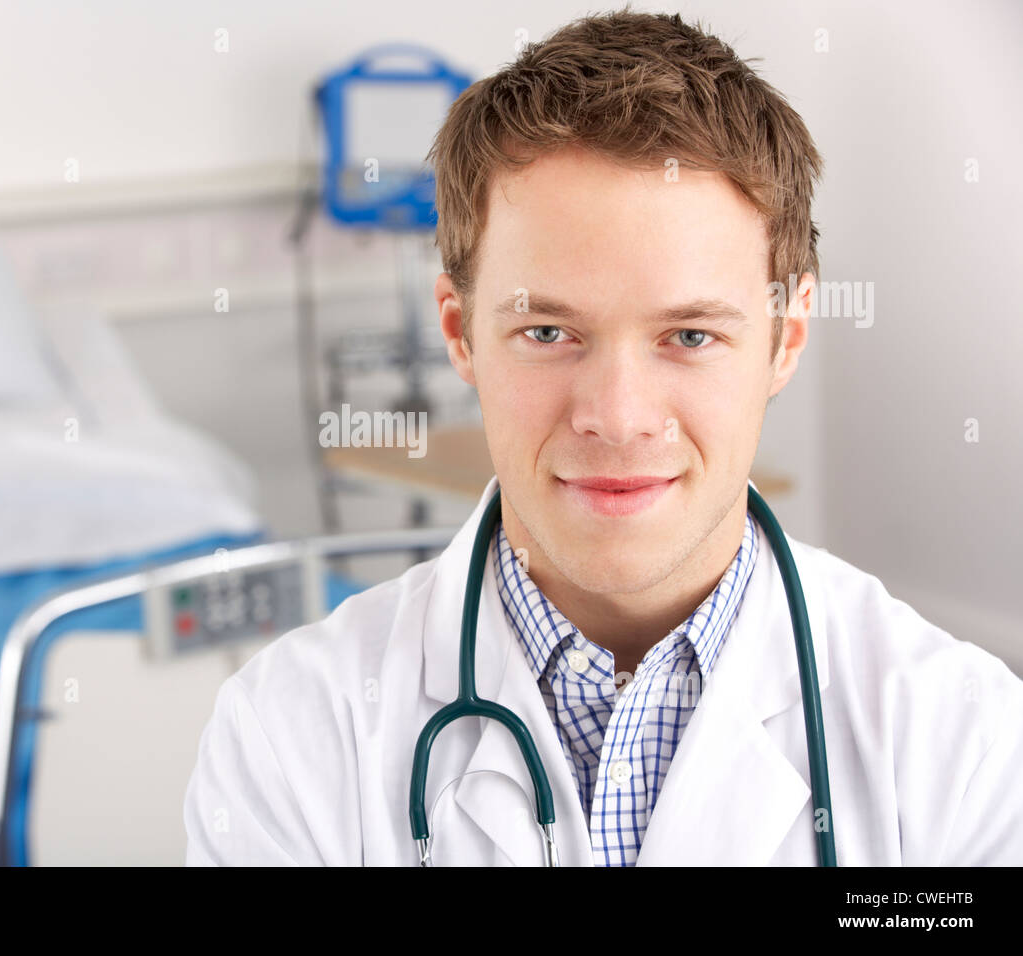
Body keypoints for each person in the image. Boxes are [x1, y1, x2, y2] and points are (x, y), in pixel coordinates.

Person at [184, 9, 1023, 865]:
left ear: (787, 337)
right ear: (461, 332)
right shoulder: (290, 736)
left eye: (690, 337)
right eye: (549, 333)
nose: (618, 417)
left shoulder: (963, 743)